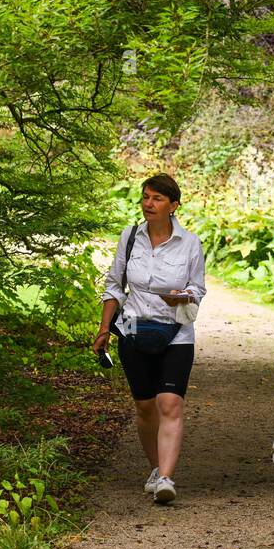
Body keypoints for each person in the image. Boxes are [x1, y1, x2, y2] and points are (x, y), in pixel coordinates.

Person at [92, 173, 206, 505]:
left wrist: (181, 297)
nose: (148, 204)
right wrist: (104, 329)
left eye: (157, 198)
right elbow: (114, 286)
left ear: (174, 205)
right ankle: (156, 469)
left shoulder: (190, 243)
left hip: (176, 332)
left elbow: (198, 289)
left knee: (169, 402)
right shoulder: (129, 237)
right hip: (133, 328)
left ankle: (167, 478)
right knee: (144, 406)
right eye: (145, 197)